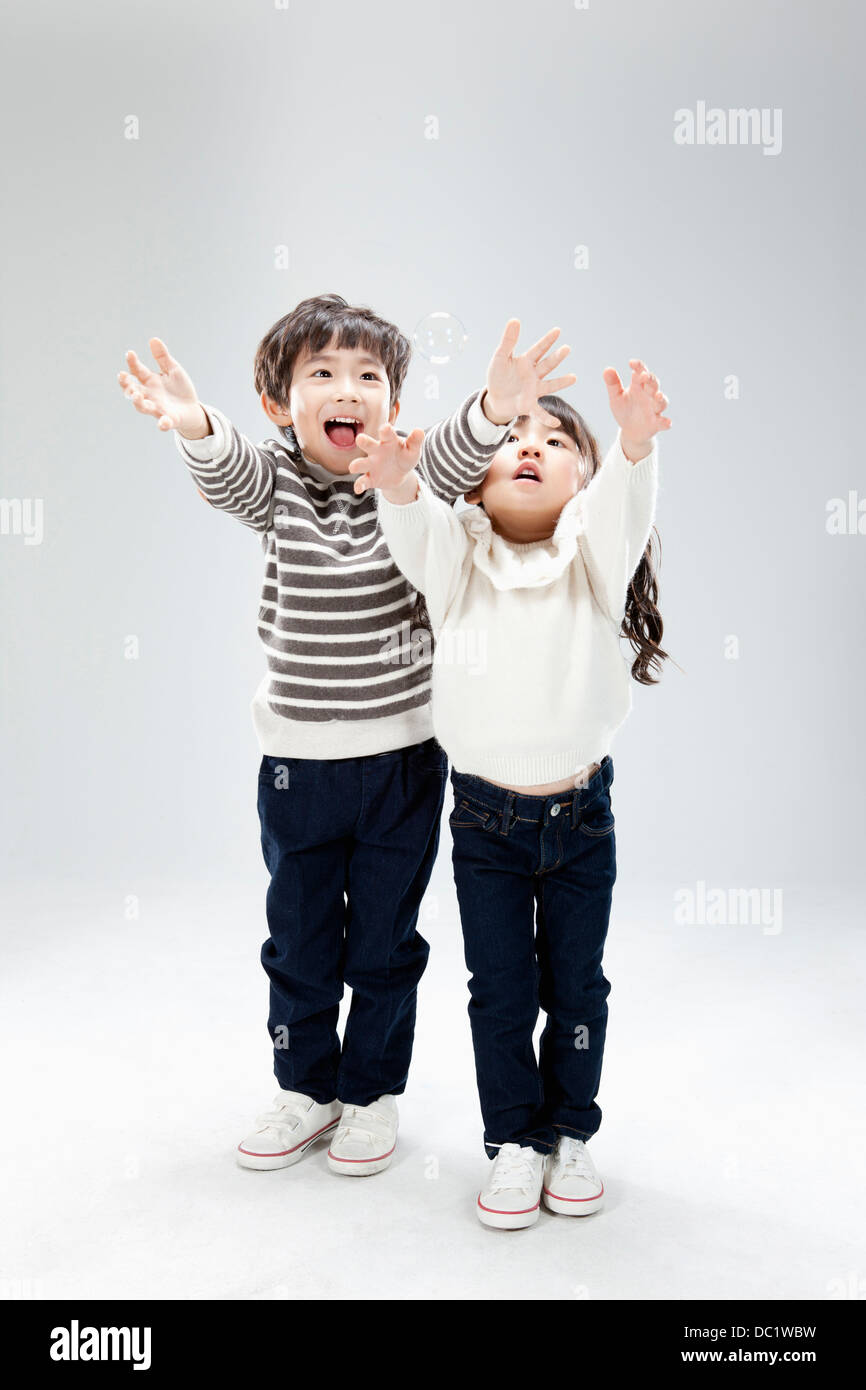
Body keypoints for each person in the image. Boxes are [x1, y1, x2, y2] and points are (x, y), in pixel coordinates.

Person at [116, 294, 575, 1178]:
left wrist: (491, 405)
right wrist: (193, 423)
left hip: (401, 759)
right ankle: (306, 1089)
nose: (348, 389)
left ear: (393, 407)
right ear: (283, 407)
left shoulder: (408, 470)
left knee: (384, 944)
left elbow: (461, 447)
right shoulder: (278, 481)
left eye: (369, 377)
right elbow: (228, 473)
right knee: (298, 940)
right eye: (322, 373)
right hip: (297, 766)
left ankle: (370, 1094)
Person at [356, 360, 671, 1225]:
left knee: (576, 986)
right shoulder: (459, 561)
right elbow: (414, 523)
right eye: (511, 441)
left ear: (582, 478)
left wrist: (636, 444)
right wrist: (397, 482)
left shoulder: (591, 558)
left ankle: (570, 1131)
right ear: (479, 480)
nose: (530, 446)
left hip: (582, 821)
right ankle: (514, 1143)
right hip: (486, 825)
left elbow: (625, 508)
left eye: (555, 440)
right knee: (499, 988)